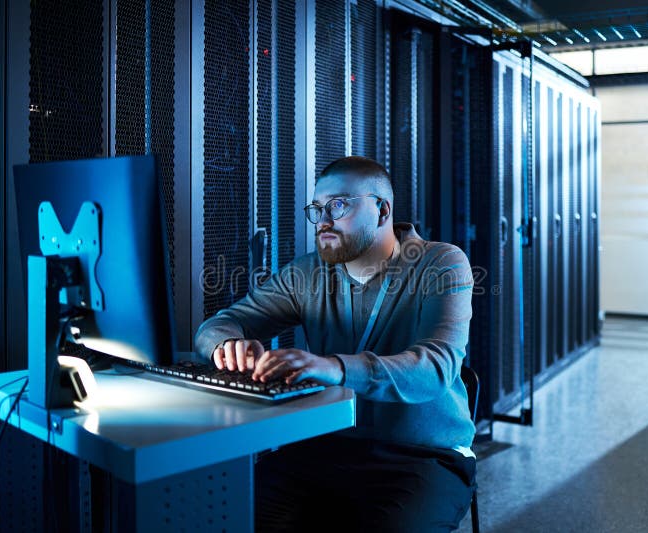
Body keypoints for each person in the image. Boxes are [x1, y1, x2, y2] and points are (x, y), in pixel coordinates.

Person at [194, 156, 476, 532]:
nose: (323, 221)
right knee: (231, 513)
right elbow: (217, 326)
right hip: (325, 447)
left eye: (338, 206)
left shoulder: (440, 263)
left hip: (423, 455)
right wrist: (225, 345)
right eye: (316, 209)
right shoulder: (305, 273)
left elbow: (435, 368)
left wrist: (334, 367)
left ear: (381, 210)